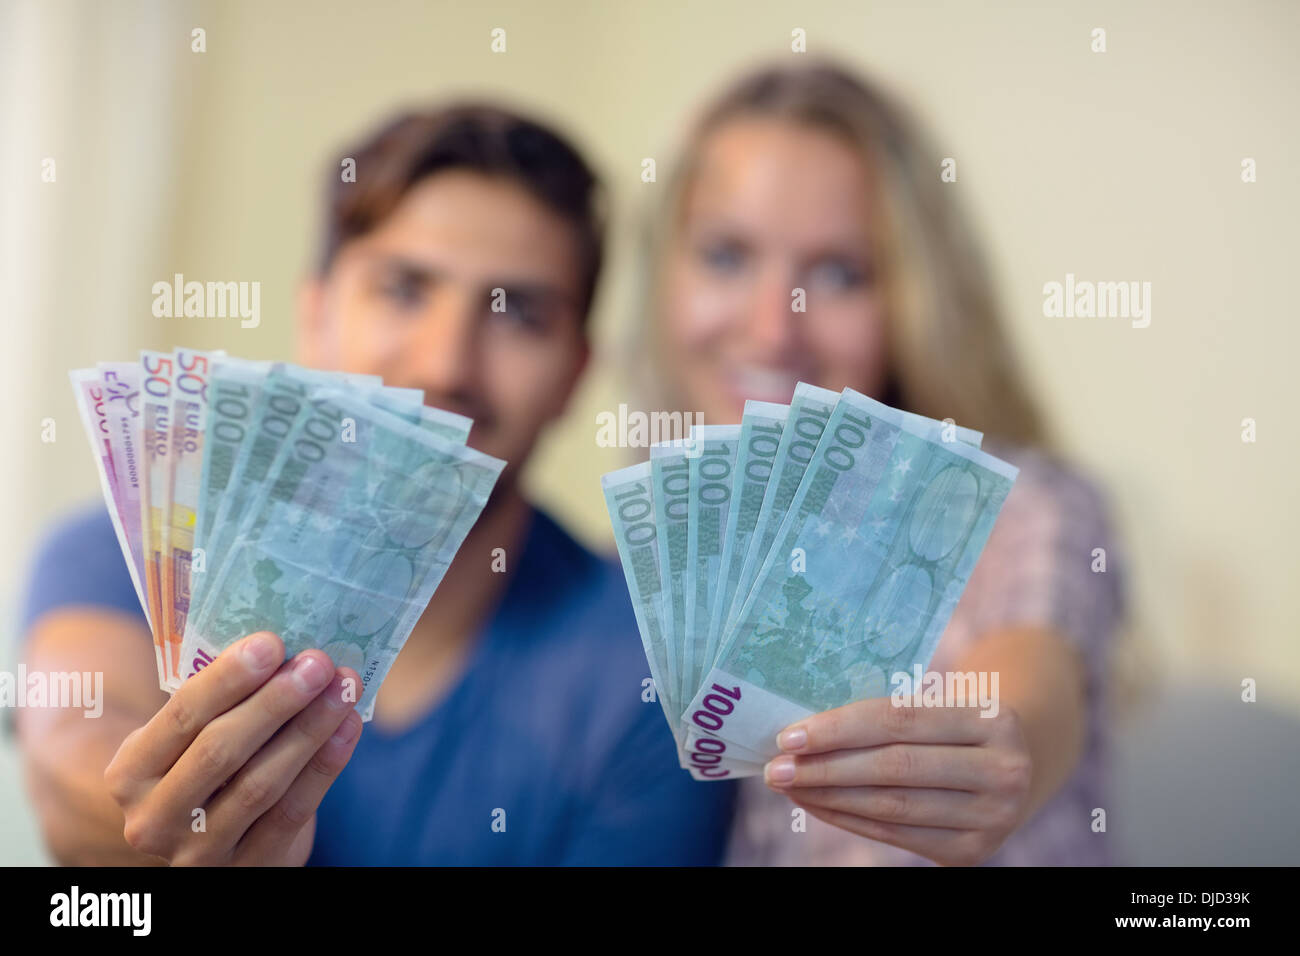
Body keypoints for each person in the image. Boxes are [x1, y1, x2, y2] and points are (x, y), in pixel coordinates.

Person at [16, 103, 736, 865]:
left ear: (574, 375)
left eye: (517, 312)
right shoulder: (131, 553)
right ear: (315, 313)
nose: (446, 364)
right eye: (403, 288)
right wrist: (162, 823)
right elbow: (75, 772)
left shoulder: (650, 671)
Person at [635, 60, 1126, 865]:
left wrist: (995, 756)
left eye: (838, 274)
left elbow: (1030, 686)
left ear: (913, 299)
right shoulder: (674, 544)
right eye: (726, 256)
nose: (771, 329)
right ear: (666, 274)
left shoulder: (1027, 509)